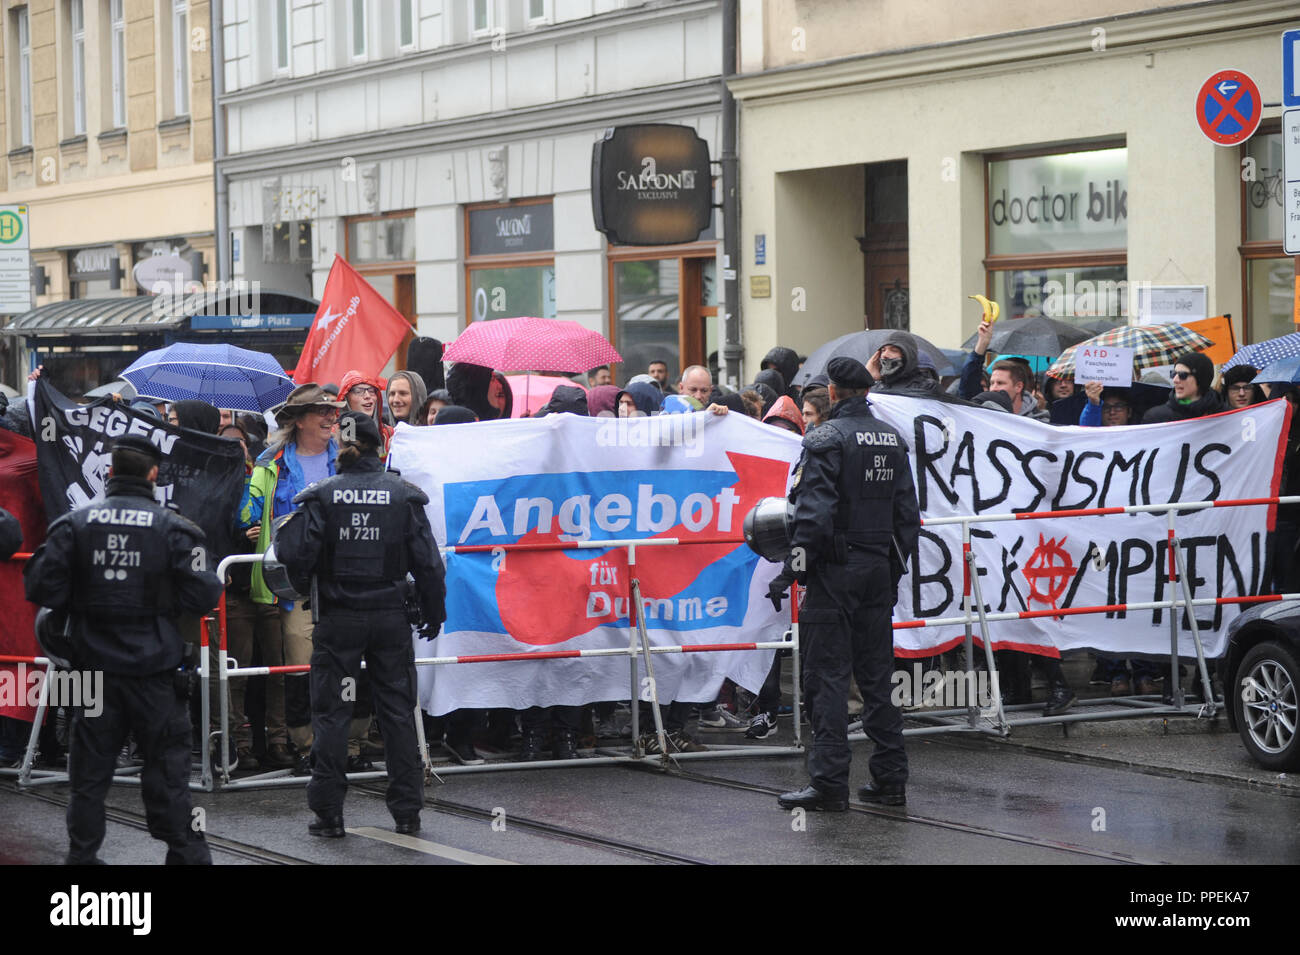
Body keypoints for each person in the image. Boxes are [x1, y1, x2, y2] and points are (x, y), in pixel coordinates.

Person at [24, 434, 222, 864]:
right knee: (168, 774)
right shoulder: (177, 530)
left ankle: (82, 859)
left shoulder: (74, 524)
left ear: (110, 472)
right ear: (153, 474)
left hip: (89, 672)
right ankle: (187, 854)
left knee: (88, 777)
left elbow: (40, 586)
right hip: (156, 672)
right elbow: (206, 592)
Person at [276, 411, 446, 836]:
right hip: (390, 618)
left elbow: (293, 554)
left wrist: (308, 587)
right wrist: (434, 612)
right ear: (379, 446)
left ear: (341, 448)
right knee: (397, 713)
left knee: (332, 713)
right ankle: (407, 813)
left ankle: (329, 814)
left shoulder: (323, 495)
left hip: (338, 619)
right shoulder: (403, 495)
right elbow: (429, 565)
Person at [772, 357, 920, 811]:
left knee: (827, 678)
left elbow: (812, 520)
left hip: (835, 574)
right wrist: (891, 570)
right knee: (877, 677)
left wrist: (791, 571)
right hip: (877, 570)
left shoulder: (826, 439)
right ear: (866, 393)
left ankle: (829, 783)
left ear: (833, 393)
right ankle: (891, 779)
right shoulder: (892, 439)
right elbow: (907, 518)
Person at [239, 384, 344, 770]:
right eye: (322, 411)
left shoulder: (346, 459)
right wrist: (251, 525)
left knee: (343, 666)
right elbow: (246, 512)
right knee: (300, 667)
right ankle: (306, 746)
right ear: (299, 421)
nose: (331, 417)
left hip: (342, 580)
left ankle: (346, 744)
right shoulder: (271, 462)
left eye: (332, 411)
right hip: (294, 584)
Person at [1141, 352, 1222, 423]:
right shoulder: (1156, 417)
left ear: (1201, 379)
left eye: (1183, 375)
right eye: (1173, 374)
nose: (1175, 380)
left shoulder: (1223, 414)